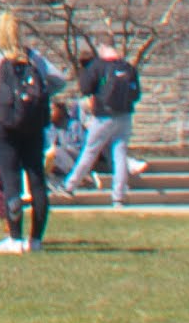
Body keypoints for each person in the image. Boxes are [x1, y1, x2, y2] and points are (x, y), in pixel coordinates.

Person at [0, 14, 60, 252]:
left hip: (5, 124)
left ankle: (15, 238)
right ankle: (36, 239)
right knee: (37, 178)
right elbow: (59, 80)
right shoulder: (33, 57)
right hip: (33, 124)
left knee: (10, 179)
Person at [57, 35, 139, 207]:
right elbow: (136, 93)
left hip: (103, 117)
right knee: (120, 154)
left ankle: (69, 185)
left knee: (90, 151)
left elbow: (86, 88)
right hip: (125, 116)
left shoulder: (98, 66)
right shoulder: (128, 68)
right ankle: (118, 196)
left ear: (102, 48)